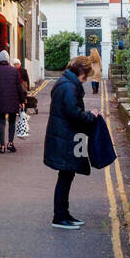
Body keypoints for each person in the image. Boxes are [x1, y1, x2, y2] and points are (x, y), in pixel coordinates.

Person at [44, 56, 98, 229]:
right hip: (65, 138)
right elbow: (74, 114)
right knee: (65, 177)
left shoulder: (65, 83)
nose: (86, 79)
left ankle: (64, 214)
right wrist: (91, 115)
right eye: (86, 75)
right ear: (81, 71)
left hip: (63, 136)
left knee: (66, 176)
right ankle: (59, 217)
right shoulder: (69, 87)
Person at [0, 49, 26, 154]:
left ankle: (2, 146)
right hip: (13, 100)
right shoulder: (14, 71)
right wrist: (22, 101)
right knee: (12, 122)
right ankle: (10, 144)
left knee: (1, 122)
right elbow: (19, 88)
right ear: (7, 60)